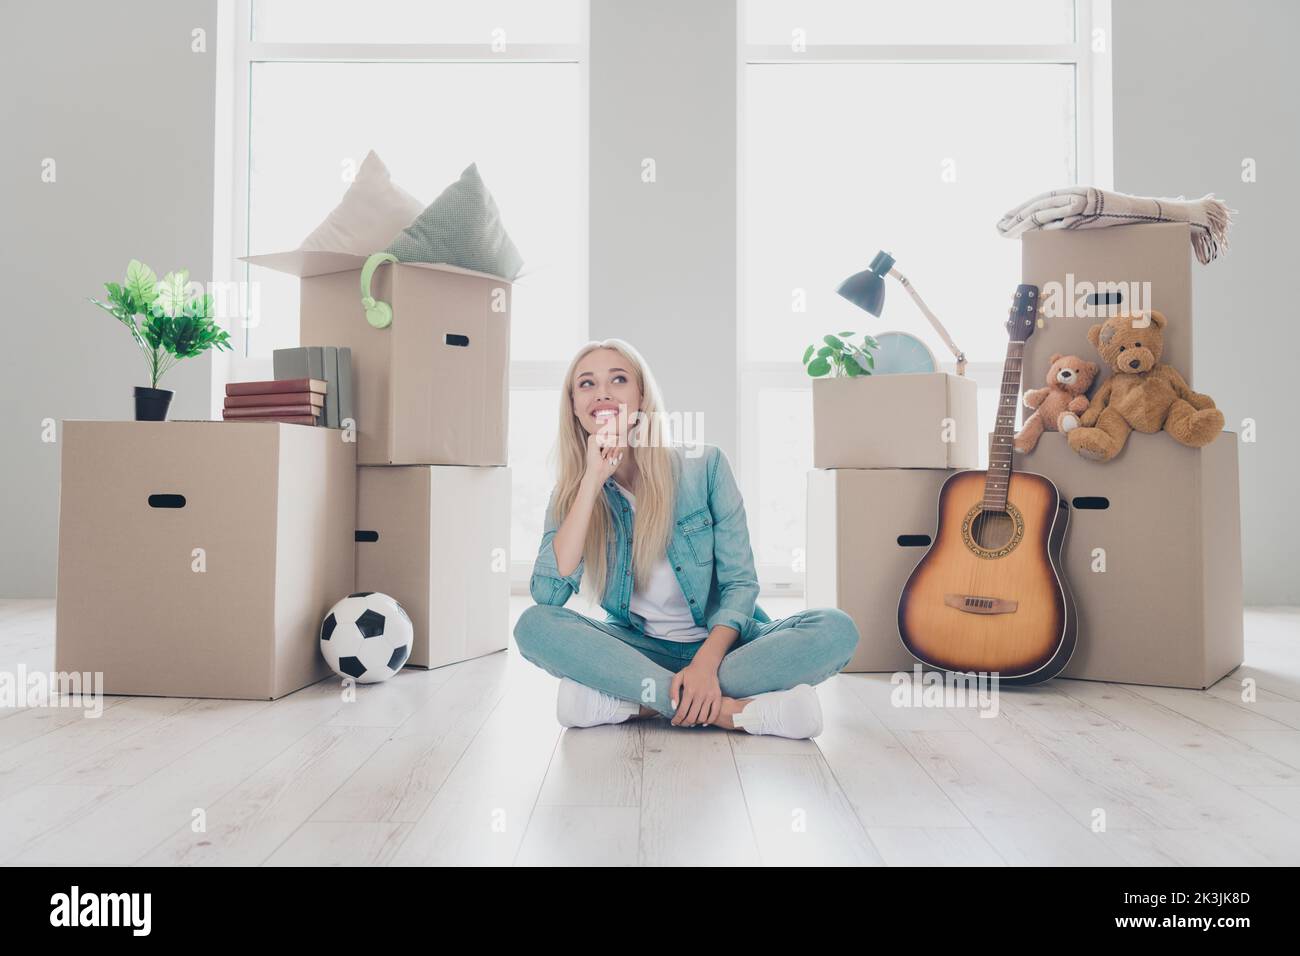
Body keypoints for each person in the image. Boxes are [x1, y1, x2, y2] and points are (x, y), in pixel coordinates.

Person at [512, 338, 860, 738]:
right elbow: (548, 596)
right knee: (533, 626)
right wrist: (591, 482)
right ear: (574, 405)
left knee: (836, 629)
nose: (603, 392)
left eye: (619, 379)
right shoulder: (573, 493)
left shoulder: (704, 466)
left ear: (641, 397)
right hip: (639, 650)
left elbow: (740, 585)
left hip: (725, 648)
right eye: (586, 384)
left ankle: (634, 703)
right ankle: (733, 712)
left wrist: (705, 665)